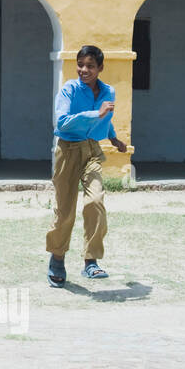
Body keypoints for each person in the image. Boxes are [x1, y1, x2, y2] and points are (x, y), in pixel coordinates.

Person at [46, 45, 127, 287]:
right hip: (68, 151)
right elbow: (62, 122)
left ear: (100, 68)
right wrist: (95, 114)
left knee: (95, 201)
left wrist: (113, 137)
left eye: (90, 66)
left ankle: (90, 261)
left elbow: (107, 118)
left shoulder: (108, 91)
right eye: (80, 65)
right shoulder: (69, 90)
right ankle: (57, 258)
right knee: (65, 210)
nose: (84, 70)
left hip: (92, 150)